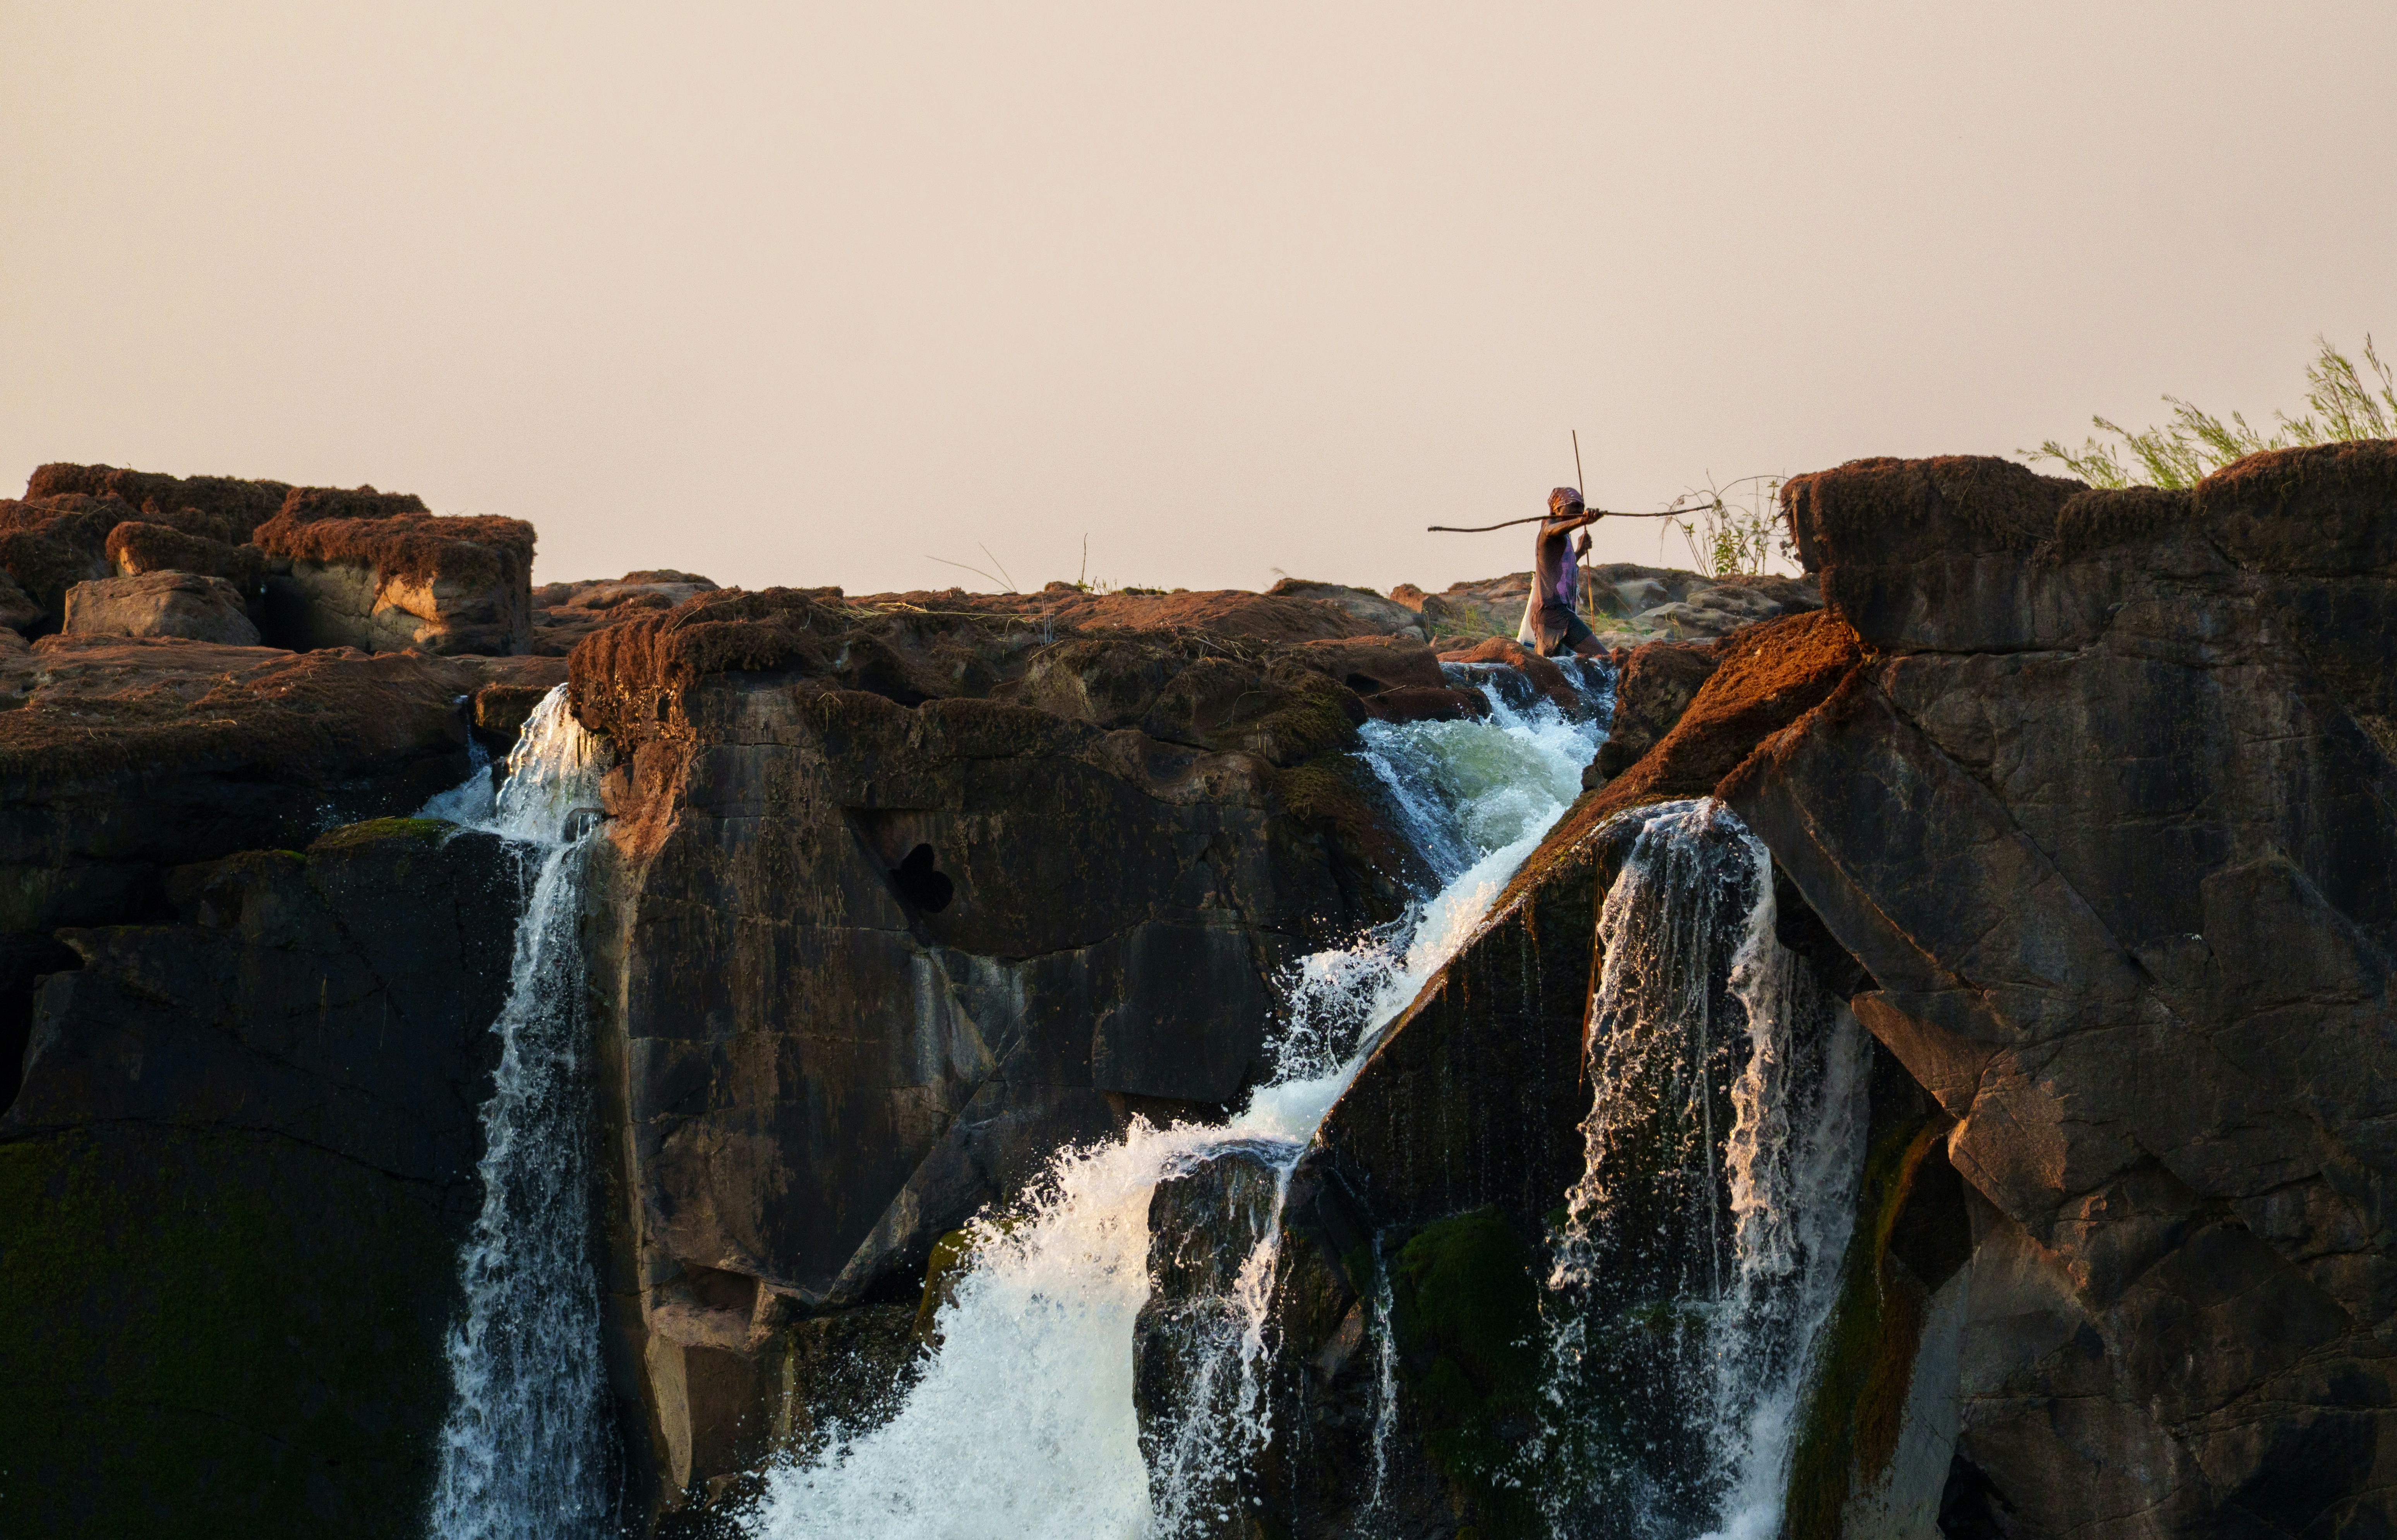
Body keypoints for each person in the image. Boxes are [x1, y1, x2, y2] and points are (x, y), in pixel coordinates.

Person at [1516, 486, 1605, 658]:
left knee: (1552, 667)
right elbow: (1550, 531)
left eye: (1581, 507)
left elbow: (1561, 569)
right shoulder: (1548, 528)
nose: (1580, 511)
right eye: (1574, 506)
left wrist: (1580, 551)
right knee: (1604, 657)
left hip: (1557, 613)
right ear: (1557, 510)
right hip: (1553, 612)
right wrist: (1582, 521)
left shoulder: (1565, 538)